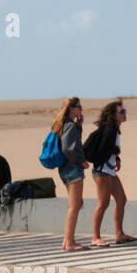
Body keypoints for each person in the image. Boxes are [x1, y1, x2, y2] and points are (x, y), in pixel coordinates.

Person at [88, 100, 137, 246]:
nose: (124, 114)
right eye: (121, 112)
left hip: (108, 170)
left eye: (124, 111)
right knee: (103, 203)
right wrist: (115, 152)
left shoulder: (113, 130)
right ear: (113, 115)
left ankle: (119, 234)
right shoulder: (110, 130)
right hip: (102, 171)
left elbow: (108, 149)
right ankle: (95, 237)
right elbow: (104, 150)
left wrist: (117, 157)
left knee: (121, 199)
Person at [53, 98, 92, 251]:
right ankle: (69, 242)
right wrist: (81, 161)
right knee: (74, 206)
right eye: (79, 107)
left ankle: (66, 240)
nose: (81, 109)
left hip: (65, 168)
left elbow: (71, 143)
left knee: (77, 203)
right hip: (72, 168)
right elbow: (69, 148)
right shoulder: (69, 125)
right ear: (71, 109)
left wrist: (79, 127)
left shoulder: (66, 125)